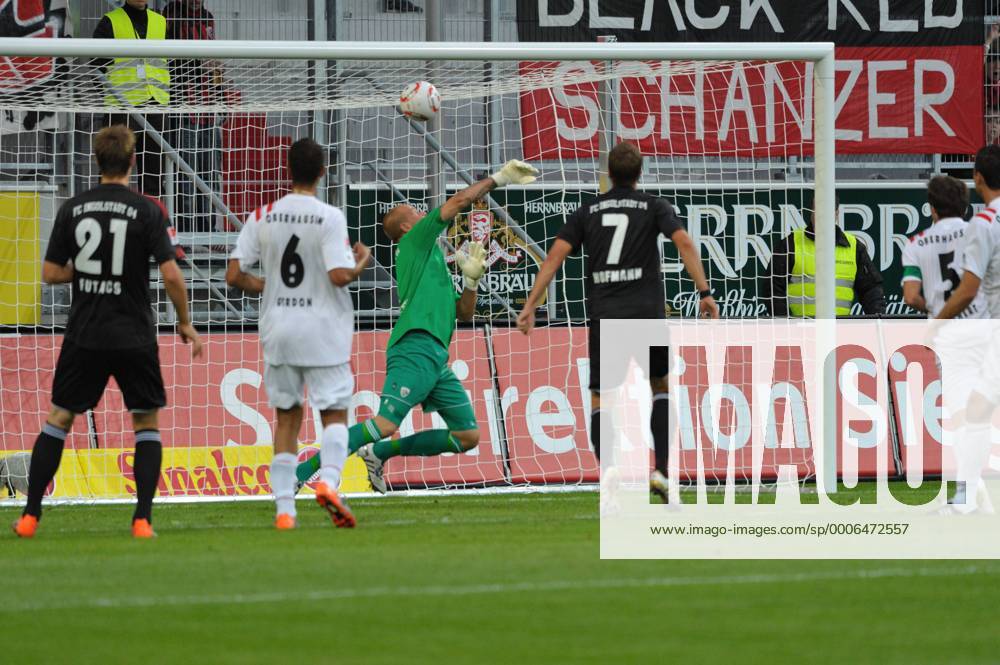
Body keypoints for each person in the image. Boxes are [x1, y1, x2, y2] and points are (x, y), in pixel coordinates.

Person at [295, 160, 539, 492]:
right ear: (409, 227)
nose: (423, 214)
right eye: (416, 213)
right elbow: (457, 204)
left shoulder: (432, 262)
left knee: (467, 436)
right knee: (384, 423)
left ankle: (380, 453)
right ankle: (303, 471)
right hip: (414, 346)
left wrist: (471, 281)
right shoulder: (414, 243)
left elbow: (464, 314)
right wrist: (498, 179)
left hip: (436, 357)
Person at [12, 125, 203, 539]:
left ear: (97, 160)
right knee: (146, 423)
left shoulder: (73, 208)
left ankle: (29, 517)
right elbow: (172, 276)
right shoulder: (148, 209)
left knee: (59, 419)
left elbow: (48, 274)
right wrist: (184, 322)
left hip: (86, 332)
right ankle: (142, 520)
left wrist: (85, 269)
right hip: (134, 333)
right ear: (133, 161)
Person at [516, 141, 719, 505]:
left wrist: (531, 304)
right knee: (661, 386)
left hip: (607, 316)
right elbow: (684, 242)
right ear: (640, 173)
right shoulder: (654, 205)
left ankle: (609, 469)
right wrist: (704, 291)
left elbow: (554, 257)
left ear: (608, 174)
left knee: (601, 398)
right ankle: (661, 471)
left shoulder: (588, 210)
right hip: (647, 314)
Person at [226, 138, 370, 529]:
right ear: (322, 172)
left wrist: (266, 287)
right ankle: (328, 482)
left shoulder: (263, 215)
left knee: (287, 420)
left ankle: (285, 510)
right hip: (322, 332)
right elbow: (338, 276)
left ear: (287, 171)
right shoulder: (329, 217)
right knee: (334, 413)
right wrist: (360, 264)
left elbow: (233, 274)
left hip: (279, 330)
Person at [933, 145, 1000, 513]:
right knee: (976, 412)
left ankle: (964, 502)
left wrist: (936, 324)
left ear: (977, 177)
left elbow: (968, 288)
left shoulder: (985, 223)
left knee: (972, 414)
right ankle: (970, 500)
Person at [93, 0, 170, 198]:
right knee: (112, 171)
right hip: (121, 109)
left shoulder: (161, 22)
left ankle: (149, 222)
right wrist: (112, 94)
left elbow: (173, 63)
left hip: (156, 106)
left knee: (153, 176)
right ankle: (107, 216)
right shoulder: (110, 22)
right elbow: (96, 67)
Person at [767, 193, 885, 317]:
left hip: (840, 330)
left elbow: (872, 290)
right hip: (800, 331)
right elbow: (772, 288)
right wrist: (785, 325)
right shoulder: (790, 244)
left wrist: (877, 322)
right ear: (811, 211)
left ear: (836, 213)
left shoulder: (854, 247)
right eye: (817, 211)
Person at [163, 0, 224, 233]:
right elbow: (170, 60)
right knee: (186, 174)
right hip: (184, 107)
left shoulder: (208, 17)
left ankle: (208, 231)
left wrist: (220, 93)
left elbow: (214, 61)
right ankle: (186, 232)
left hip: (207, 108)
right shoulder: (170, 14)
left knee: (210, 173)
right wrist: (200, 63)